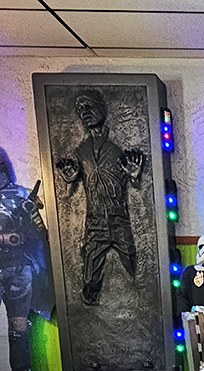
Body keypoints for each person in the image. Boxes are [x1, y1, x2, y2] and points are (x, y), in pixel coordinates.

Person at [55, 89, 144, 305]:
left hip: (119, 218)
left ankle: (138, 303)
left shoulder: (117, 148)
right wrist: (71, 179)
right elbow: (69, 193)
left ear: (101, 108)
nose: (84, 112)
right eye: (80, 109)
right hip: (94, 223)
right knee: (89, 280)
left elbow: (135, 184)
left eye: (89, 106)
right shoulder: (81, 150)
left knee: (135, 269)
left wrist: (134, 177)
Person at [0, 148, 47, 371]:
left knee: (20, 331)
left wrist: (32, 211)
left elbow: (37, 233)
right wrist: (6, 238)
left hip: (19, 269)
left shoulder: (20, 194)